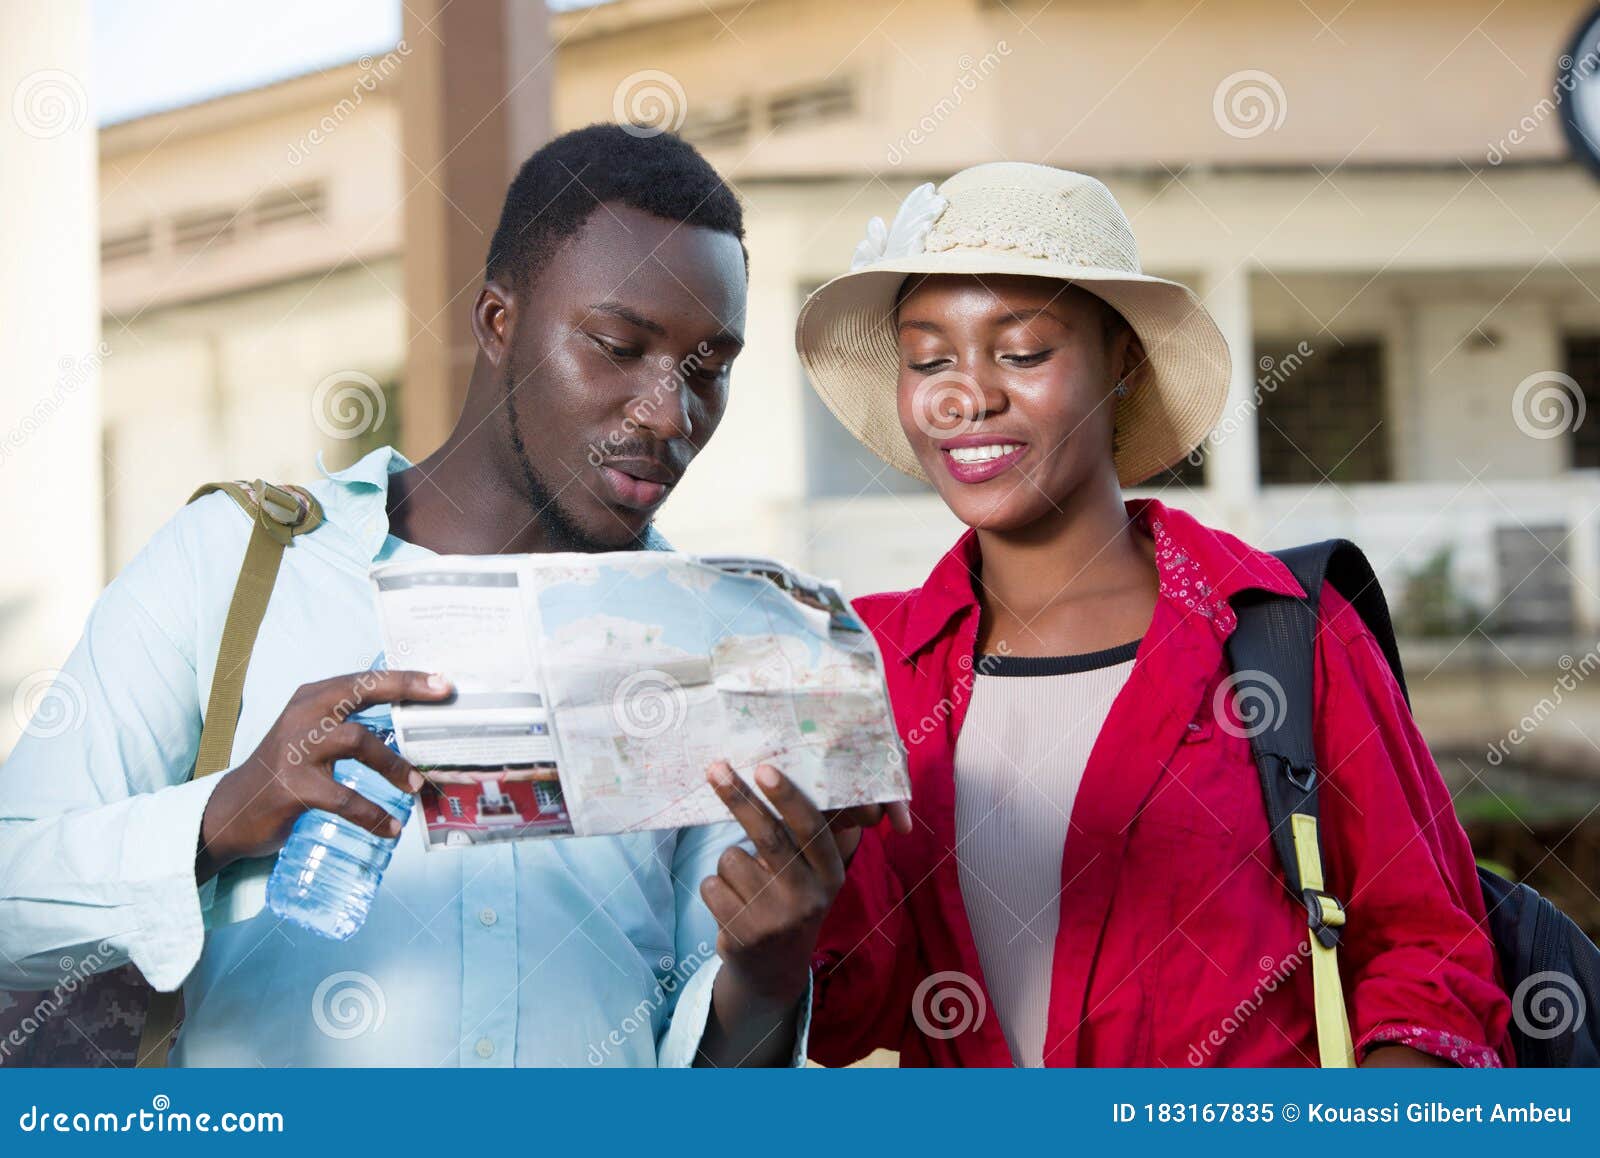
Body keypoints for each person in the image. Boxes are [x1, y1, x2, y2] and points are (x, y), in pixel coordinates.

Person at [0, 125, 857, 1067]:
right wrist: (219, 816)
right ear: (498, 323)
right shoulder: (236, 561)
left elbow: (714, 1080)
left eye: (710, 368)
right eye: (620, 346)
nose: (669, 413)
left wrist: (769, 971)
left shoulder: (708, 648)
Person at [796, 163, 1513, 1068]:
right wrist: (777, 924)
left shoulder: (1282, 626)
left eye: (1021, 352)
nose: (965, 396)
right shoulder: (870, 663)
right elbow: (852, 1015)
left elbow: (1428, 953)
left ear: (1123, 364)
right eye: (928, 358)